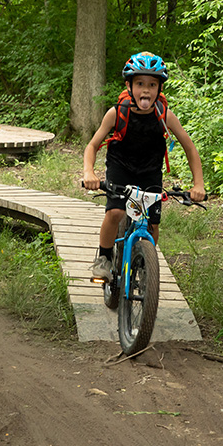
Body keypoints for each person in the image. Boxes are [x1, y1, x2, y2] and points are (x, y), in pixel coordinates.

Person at [81, 52, 206, 282]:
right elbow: (93, 144)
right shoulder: (117, 112)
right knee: (116, 211)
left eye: (152, 84)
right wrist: (89, 172)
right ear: (129, 85)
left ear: (159, 89)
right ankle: (104, 257)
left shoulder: (165, 116)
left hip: (149, 169)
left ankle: (143, 261)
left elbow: (190, 148)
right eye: (140, 84)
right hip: (121, 166)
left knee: (152, 226)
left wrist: (198, 184)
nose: (146, 90)